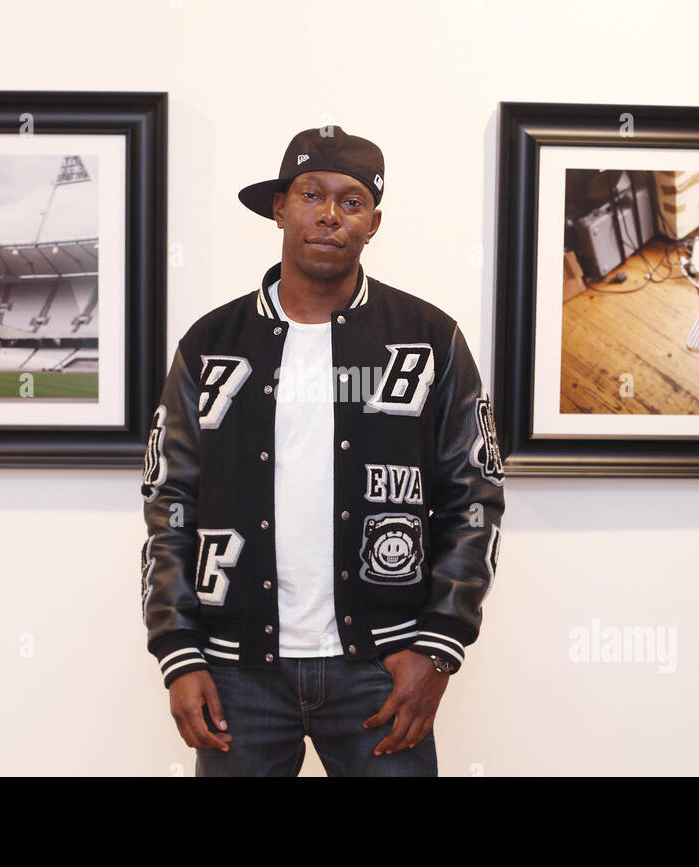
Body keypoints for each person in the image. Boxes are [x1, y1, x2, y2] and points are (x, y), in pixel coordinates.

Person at [140, 125, 505, 776]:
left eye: (352, 200)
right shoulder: (211, 343)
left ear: (374, 222)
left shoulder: (428, 341)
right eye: (312, 194)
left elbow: (475, 496)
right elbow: (169, 500)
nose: (330, 214)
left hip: (381, 667)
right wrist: (179, 649)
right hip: (236, 670)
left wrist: (439, 647)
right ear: (280, 207)